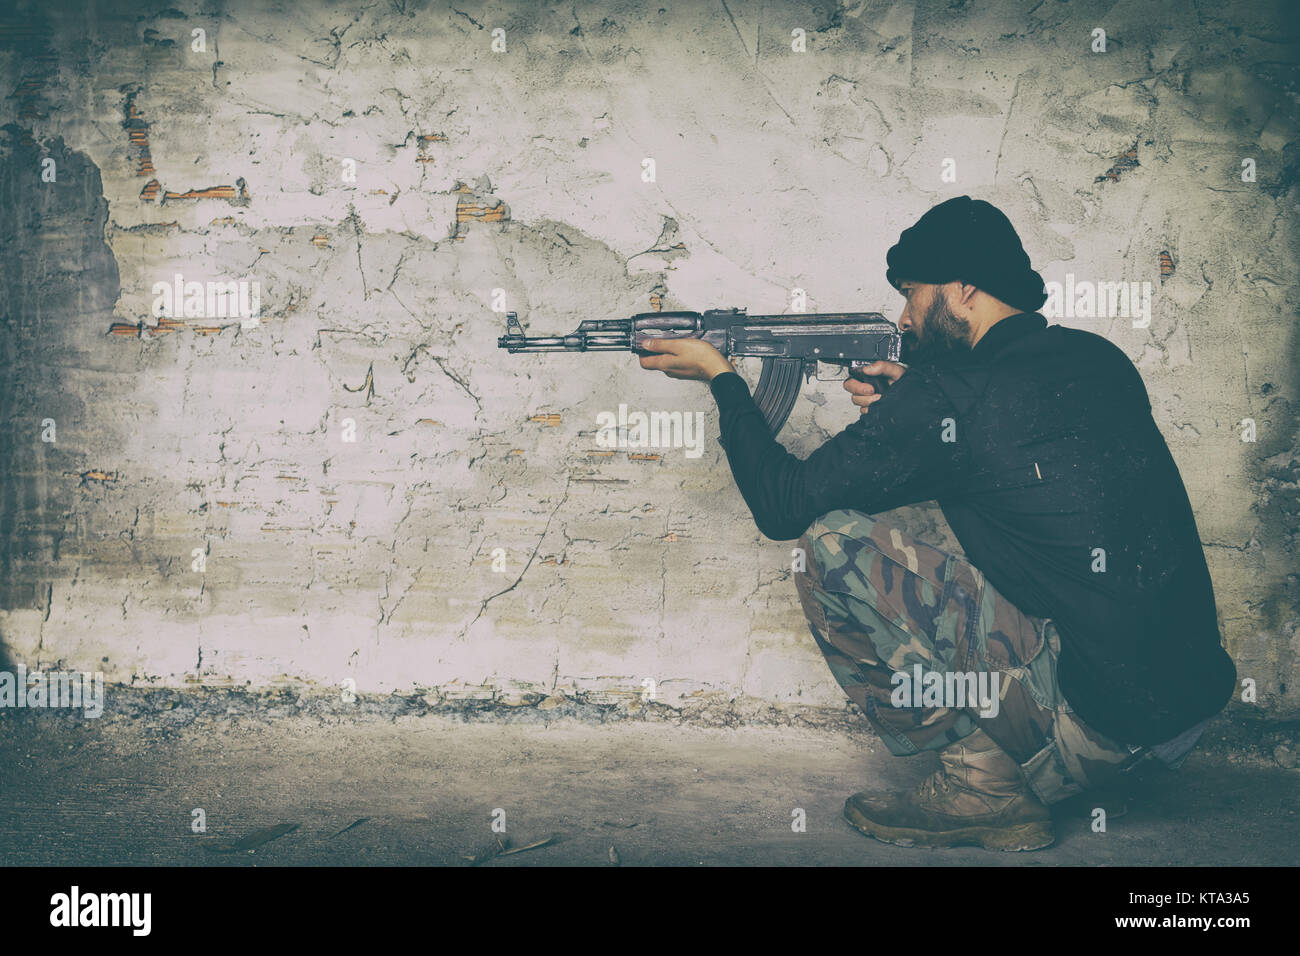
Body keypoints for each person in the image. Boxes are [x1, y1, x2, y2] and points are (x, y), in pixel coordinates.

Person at [636, 195, 1237, 851]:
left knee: (828, 545)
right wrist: (912, 404)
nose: (903, 315)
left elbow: (781, 507)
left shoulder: (948, 400)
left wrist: (721, 378)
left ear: (964, 288)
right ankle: (1086, 764)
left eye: (913, 292)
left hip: (1093, 728)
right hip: (1182, 712)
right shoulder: (1097, 360)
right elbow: (1005, 443)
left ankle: (985, 793)